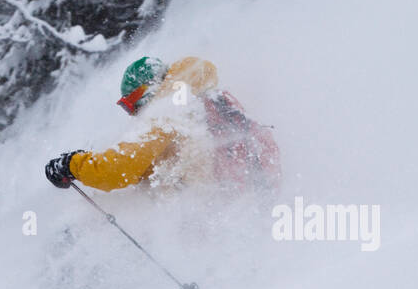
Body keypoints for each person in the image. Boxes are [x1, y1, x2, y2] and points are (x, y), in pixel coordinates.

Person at [44, 54, 280, 195]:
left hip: (214, 212)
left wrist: (72, 164)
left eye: (130, 105)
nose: (133, 115)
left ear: (146, 92)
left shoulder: (166, 112)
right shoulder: (209, 99)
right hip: (256, 196)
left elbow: (115, 172)